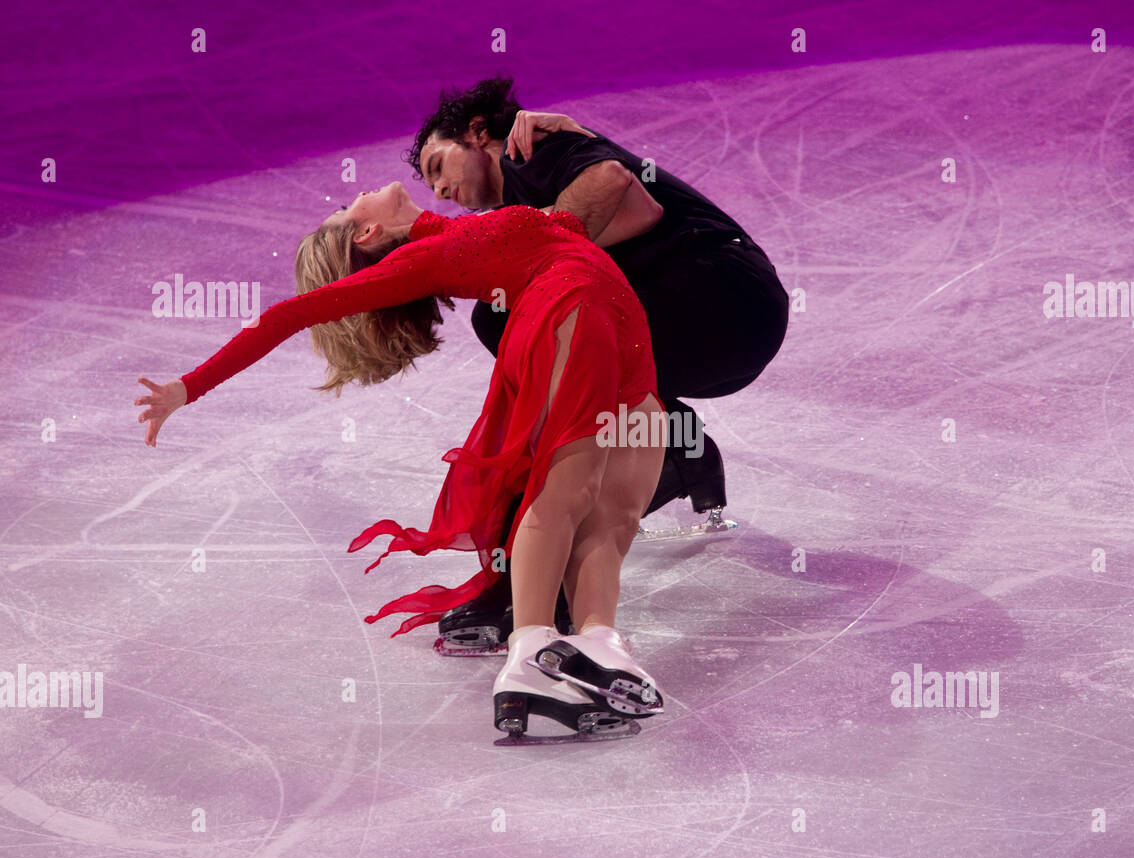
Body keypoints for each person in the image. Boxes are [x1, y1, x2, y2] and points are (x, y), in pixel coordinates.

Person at [133, 182, 666, 742]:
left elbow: (615, 201)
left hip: (623, 324)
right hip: (570, 308)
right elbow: (289, 316)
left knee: (617, 512)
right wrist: (188, 388)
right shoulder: (423, 255)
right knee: (568, 492)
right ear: (367, 233)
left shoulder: (451, 231)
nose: (355, 193)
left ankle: (598, 641)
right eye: (344, 208)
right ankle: (531, 648)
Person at [408, 75, 789, 652]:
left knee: (531, 344)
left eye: (439, 166)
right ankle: (678, 444)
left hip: (725, 296)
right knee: (509, 321)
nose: (440, 190)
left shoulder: (527, 149)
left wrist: (541, 250)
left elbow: (619, 185)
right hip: (716, 324)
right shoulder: (522, 185)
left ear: (476, 133)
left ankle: (537, 580)